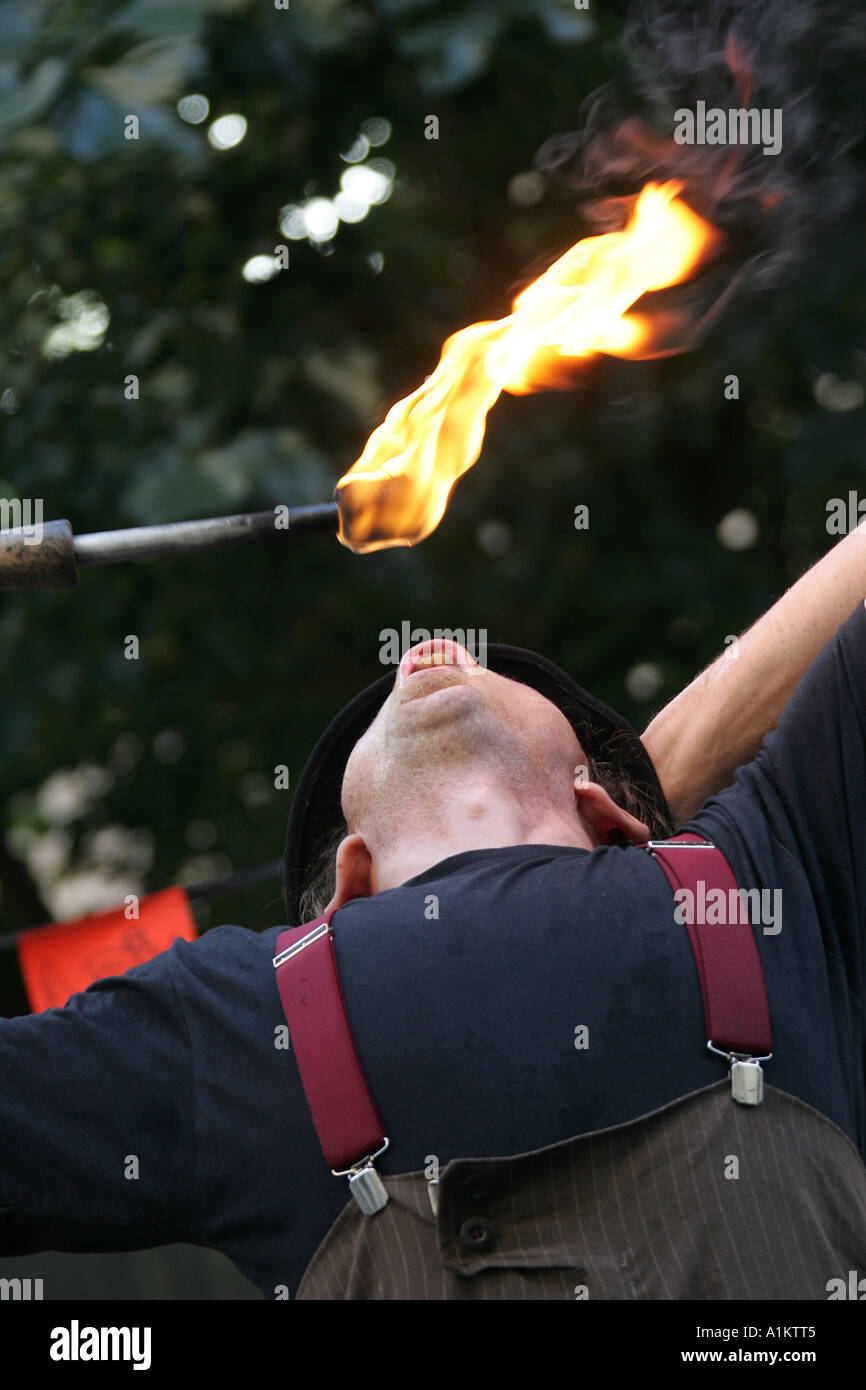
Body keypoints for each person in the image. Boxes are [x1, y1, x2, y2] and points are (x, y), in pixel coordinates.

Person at [1, 525, 866, 1300]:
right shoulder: (234, 1023)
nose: (448, 655)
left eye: (501, 677)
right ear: (349, 884)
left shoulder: (764, 880)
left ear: (607, 813)